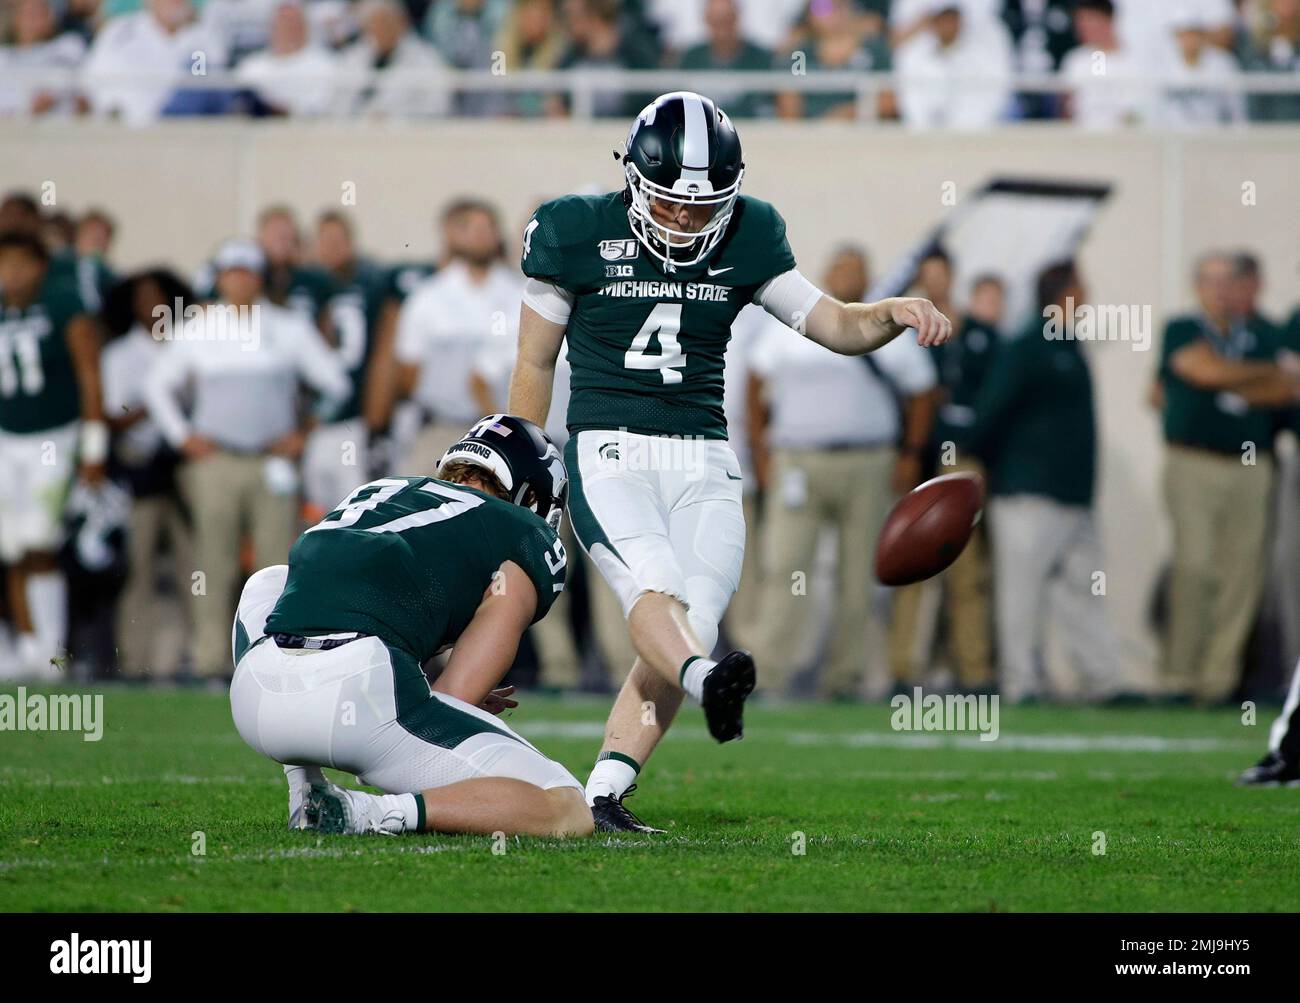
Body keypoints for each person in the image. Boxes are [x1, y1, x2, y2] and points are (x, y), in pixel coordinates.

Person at [508, 91, 951, 830]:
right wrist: (524, 455)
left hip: (706, 454)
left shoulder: (750, 232)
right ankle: (710, 683)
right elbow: (533, 359)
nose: (685, 218)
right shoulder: (572, 228)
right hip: (610, 446)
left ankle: (606, 790)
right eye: (671, 203)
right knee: (652, 587)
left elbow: (833, 325)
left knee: (697, 620)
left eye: (702, 204)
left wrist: (889, 313)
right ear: (634, 177)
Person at [228, 414, 592, 837]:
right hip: (360, 699)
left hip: (256, 700)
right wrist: (439, 706)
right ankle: (366, 813)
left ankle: (305, 786)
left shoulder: (379, 490)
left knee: (269, 579)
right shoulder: (523, 530)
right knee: (565, 806)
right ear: (534, 496)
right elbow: (456, 695)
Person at [143, 237, 351, 681]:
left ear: (260, 278)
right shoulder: (198, 327)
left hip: (270, 462)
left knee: (275, 563)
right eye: (231, 272)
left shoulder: (288, 326)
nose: (239, 281)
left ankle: (270, 657)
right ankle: (208, 660)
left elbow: (335, 383)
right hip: (216, 461)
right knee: (211, 561)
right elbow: (157, 386)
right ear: (219, 278)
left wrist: (303, 432)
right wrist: (183, 436)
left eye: (248, 272)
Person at [751, 244, 937, 699]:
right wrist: (761, 452)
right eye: (839, 266)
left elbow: (923, 391)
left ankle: (846, 677)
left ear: (868, 276)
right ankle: (770, 673)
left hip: (867, 461)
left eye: (855, 269)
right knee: (786, 567)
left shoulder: (884, 324)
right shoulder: (796, 319)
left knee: (860, 574)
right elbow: (755, 382)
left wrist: (911, 453)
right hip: (800, 460)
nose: (846, 275)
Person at [954, 260, 1121, 703]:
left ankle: (1102, 680)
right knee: (1021, 592)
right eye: (1080, 286)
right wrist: (976, 460)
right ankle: (1020, 682)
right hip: (1028, 492)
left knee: (1083, 589)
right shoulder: (1028, 344)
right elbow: (992, 408)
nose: (1086, 294)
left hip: (1072, 494)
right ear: (1063, 292)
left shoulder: (1068, 344)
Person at [1157, 253, 1299, 704]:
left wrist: (1229, 378)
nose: (1220, 290)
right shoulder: (1182, 328)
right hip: (1194, 462)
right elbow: (1201, 370)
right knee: (1194, 567)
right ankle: (1179, 676)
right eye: (1211, 281)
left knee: (1242, 575)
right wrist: (1258, 374)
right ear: (1197, 286)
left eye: (1228, 281)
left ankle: (1218, 681)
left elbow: (1284, 390)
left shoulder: (1261, 332)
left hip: (1251, 466)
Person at [0, 230, 105, 679]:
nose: (11, 273)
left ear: (40, 266)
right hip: (7, 437)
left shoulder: (63, 303)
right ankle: (27, 647)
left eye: (21, 263)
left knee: (40, 542)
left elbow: (89, 373)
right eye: (4, 264)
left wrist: (94, 446)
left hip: (54, 438)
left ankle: (51, 650)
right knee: (11, 547)